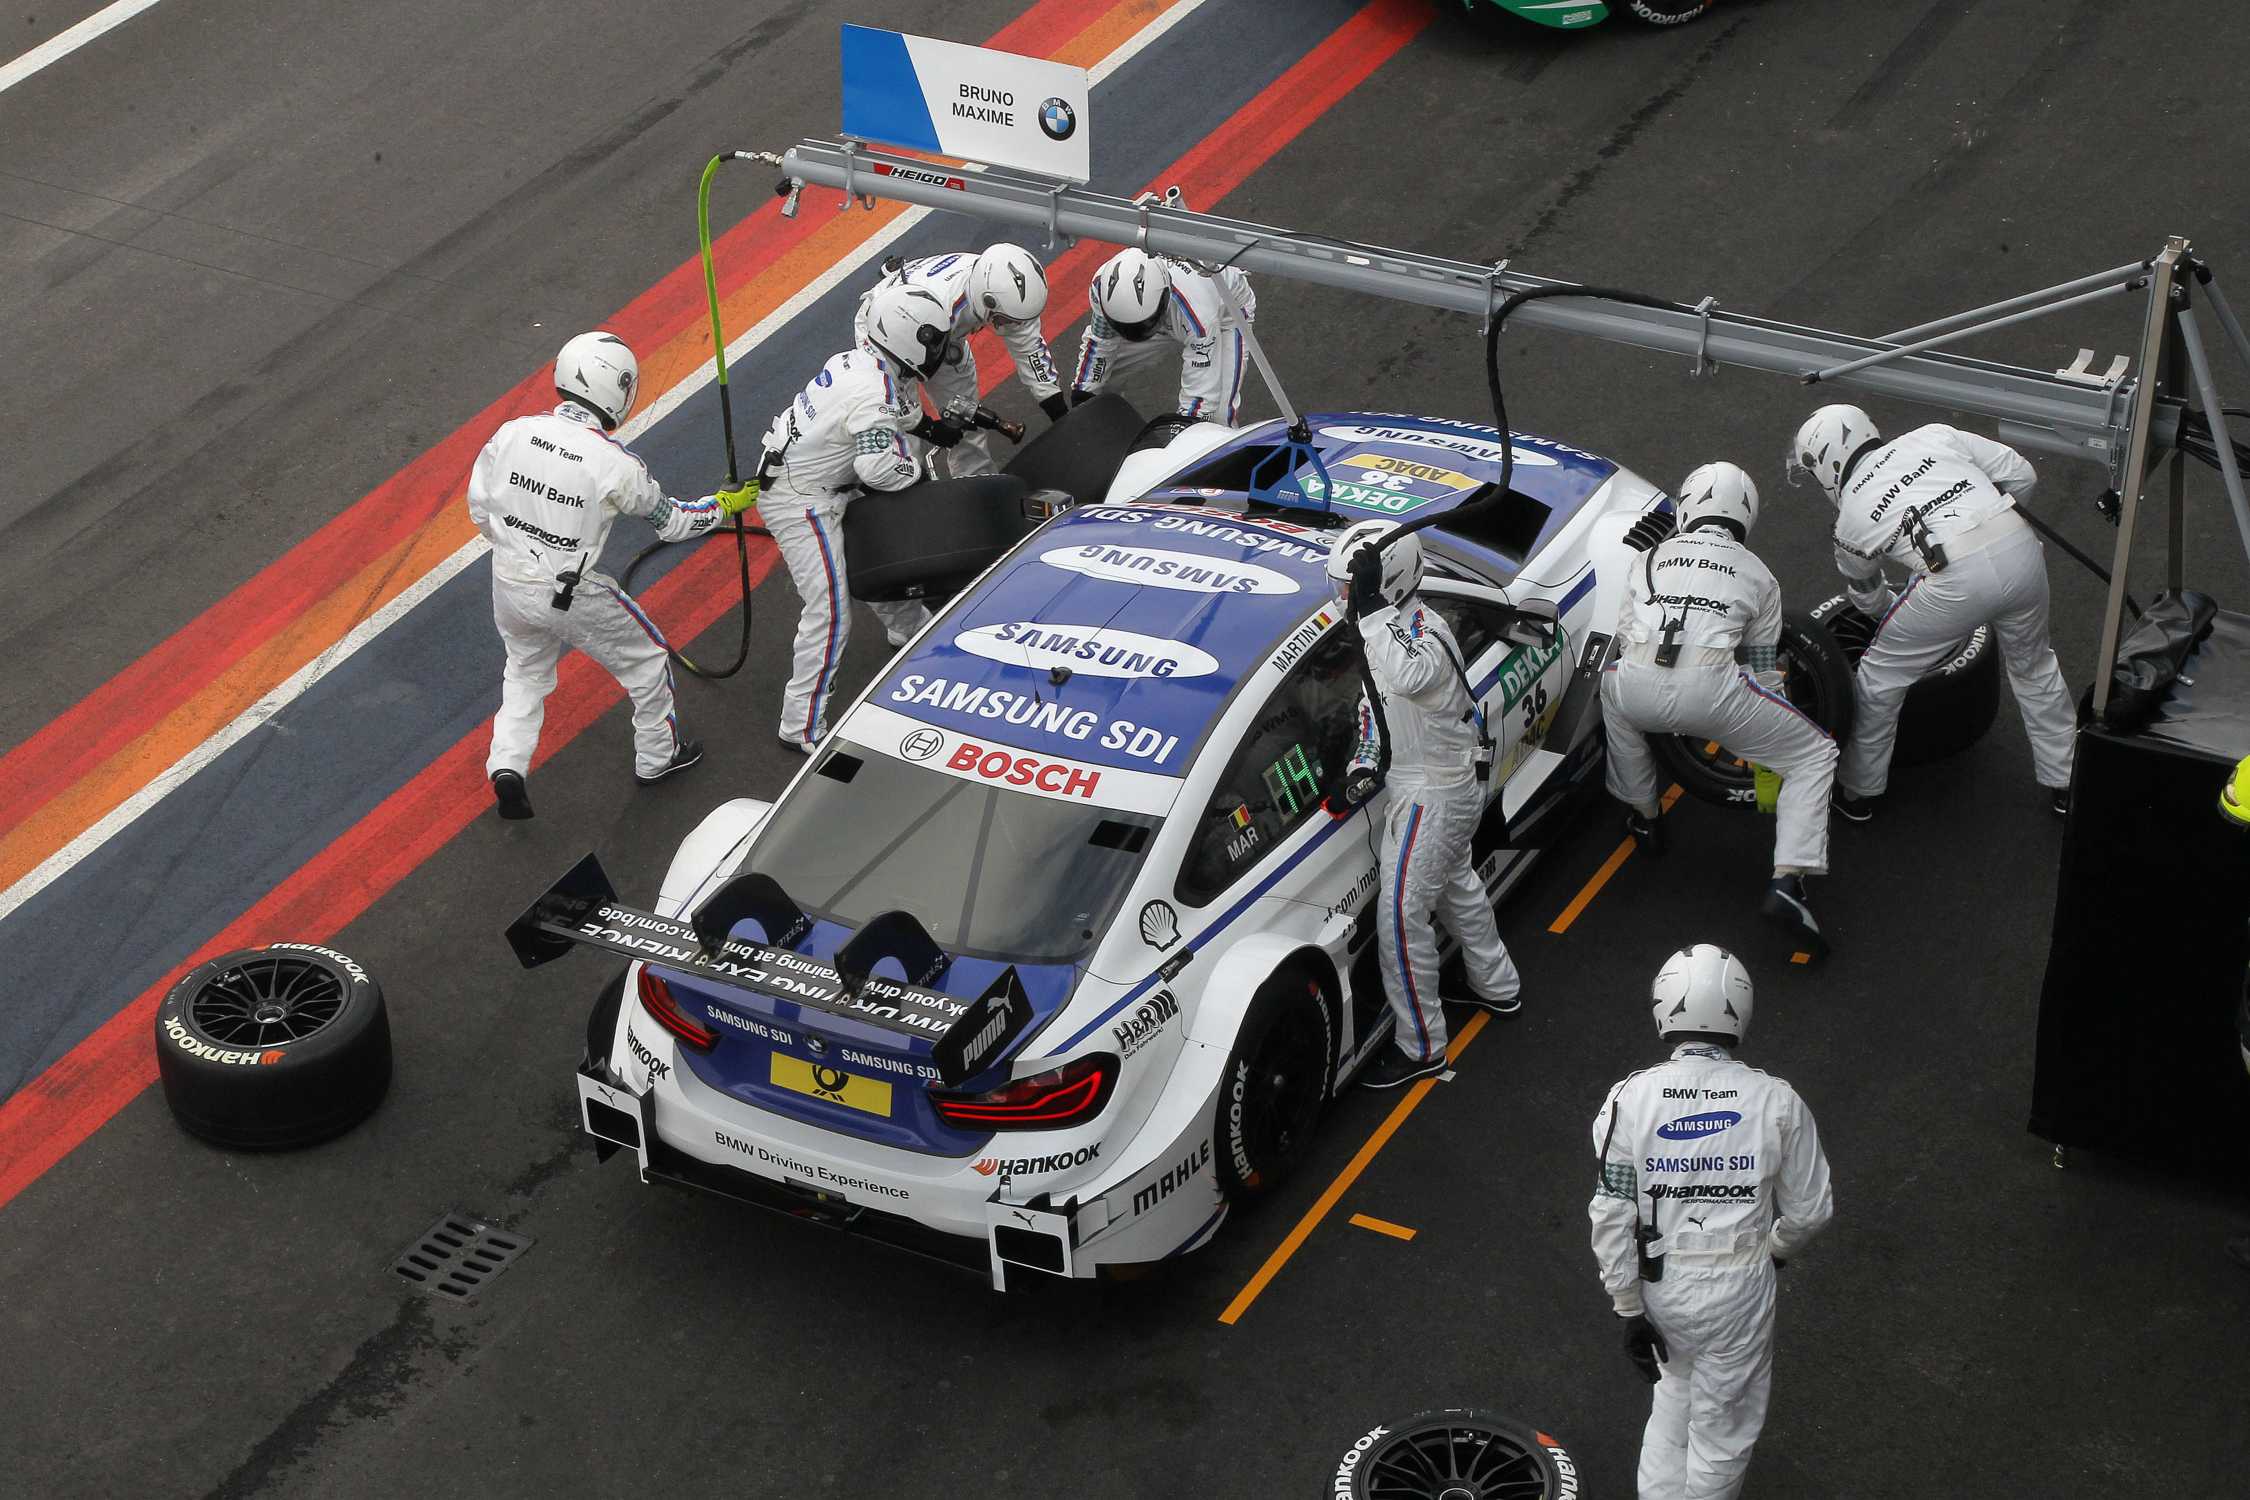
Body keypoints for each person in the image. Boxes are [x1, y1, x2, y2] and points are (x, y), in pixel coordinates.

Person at [467, 331, 756, 820]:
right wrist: (724, 505)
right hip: (571, 591)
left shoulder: (512, 433)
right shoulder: (616, 465)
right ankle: (657, 757)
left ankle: (507, 765)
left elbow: (479, 510)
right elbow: (677, 522)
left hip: (509, 578)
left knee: (524, 671)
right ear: (618, 389)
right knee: (646, 661)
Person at [1588, 944, 1834, 1500]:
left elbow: (1610, 1211)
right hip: (1742, 1285)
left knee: (1673, 1397)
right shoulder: (1777, 1102)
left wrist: (1628, 1308)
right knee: (1724, 1429)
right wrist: (1775, 1250)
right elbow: (1812, 1210)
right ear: (1741, 1012)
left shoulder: (1628, 1100)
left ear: (1663, 1007)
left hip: (1662, 1286)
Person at [1790, 404, 2076, 820]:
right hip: (2020, 549)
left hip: (1953, 579)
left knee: (1880, 676)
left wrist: (1908, 614)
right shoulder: (1933, 434)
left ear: (1827, 462)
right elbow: (2023, 475)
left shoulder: (1849, 518)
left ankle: (1859, 791)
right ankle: (2066, 781)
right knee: (2034, 666)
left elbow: (1868, 599)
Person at [1601, 462, 1837, 953]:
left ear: (1689, 504)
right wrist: (1767, 760)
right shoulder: (1759, 575)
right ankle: (1788, 880)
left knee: (1612, 692)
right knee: (1815, 756)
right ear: (1746, 517)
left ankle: (1644, 817)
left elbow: (1625, 635)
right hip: (1714, 691)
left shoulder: (1648, 557)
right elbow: (1760, 667)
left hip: (1638, 680)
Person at [1324, 518, 1522, 1090]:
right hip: (1433, 781)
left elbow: (1407, 678)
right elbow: (1377, 710)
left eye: (1350, 586)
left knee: (1399, 918)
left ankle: (1422, 1049)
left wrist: (1371, 611)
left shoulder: (1422, 633)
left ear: (1384, 584)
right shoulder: (1383, 632)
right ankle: (1499, 986)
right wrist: (1363, 766)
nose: (1342, 597)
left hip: (1433, 791)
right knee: (1457, 885)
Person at [761, 282, 958, 753]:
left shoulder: (860, 361)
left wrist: (919, 436)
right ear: (912, 340)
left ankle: (908, 632)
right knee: (829, 613)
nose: (943, 350)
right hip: (803, 500)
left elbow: (885, 425)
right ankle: (800, 726)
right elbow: (881, 469)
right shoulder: (875, 392)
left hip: (813, 481)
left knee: (877, 555)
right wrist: (919, 470)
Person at [852, 243, 1066, 476]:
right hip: (887, 332)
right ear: (987, 301)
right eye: (1008, 320)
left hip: (939, 331)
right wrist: (926, 428)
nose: (1014, 326)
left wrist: (1062, 415)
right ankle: (908, 491)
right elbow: (894, 388)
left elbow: (1030, 349)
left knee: (966, 423)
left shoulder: (1007, 297)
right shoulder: (947, 304)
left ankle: (977, 483)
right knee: (904, 439)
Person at [1068, 246, 1257, 425]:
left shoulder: (1200, 318)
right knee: (1099, 384)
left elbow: (1201, 399)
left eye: (1142, 326)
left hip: (1226, 315)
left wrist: (1184, 436)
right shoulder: (1100, 287)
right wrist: (1083, 397)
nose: (1136, 335)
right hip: (1165, 318)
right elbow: (1100, 344)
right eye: (1125, 328)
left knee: (1218, 418)